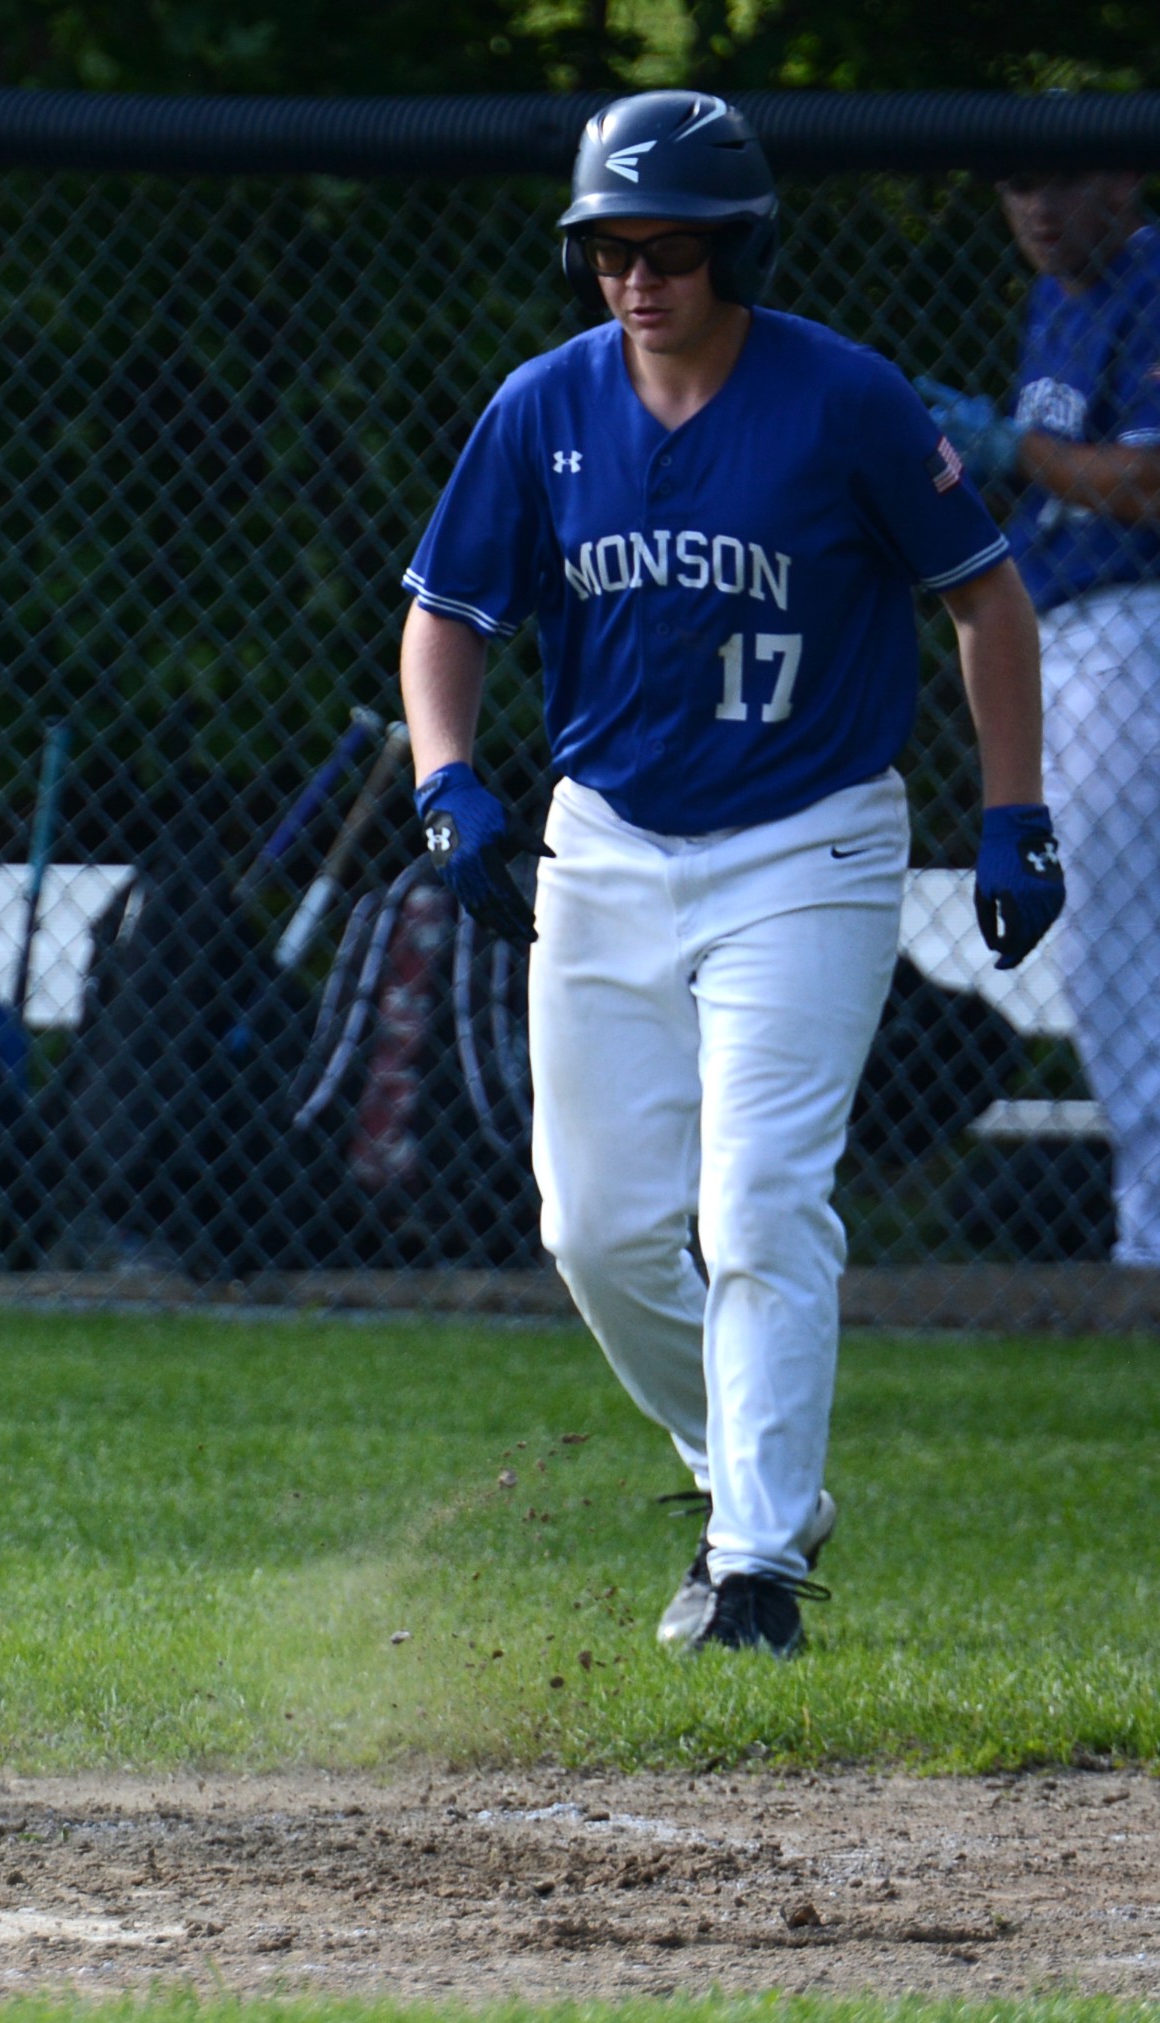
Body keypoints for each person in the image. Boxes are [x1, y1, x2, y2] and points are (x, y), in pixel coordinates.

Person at [395, 93, 1061, 1659]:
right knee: (596, 1228)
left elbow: (986, 604)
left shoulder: (842, 399)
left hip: (804, 842)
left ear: (735, 249)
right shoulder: (542, 406)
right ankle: (742, 1472)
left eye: (671, 248)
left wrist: (1011, 813)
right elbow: (448, 617)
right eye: (609, 247)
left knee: (756, 1199)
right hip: (609, 839)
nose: (637, 277)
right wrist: (445, 781)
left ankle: (753, 1568)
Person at [917, 170, 1160, 1267]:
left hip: (1132, 629)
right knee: (1105, 945)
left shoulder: (1149, 276)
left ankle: (1151, 1242)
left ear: (1121, 179)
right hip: (1062, 632)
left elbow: (1148, 482)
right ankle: (1144, 1227)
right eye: (1016, 189)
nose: (1038, 212)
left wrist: (1013, 449)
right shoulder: (1054, 300)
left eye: (1063, 183)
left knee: (1126, 945)